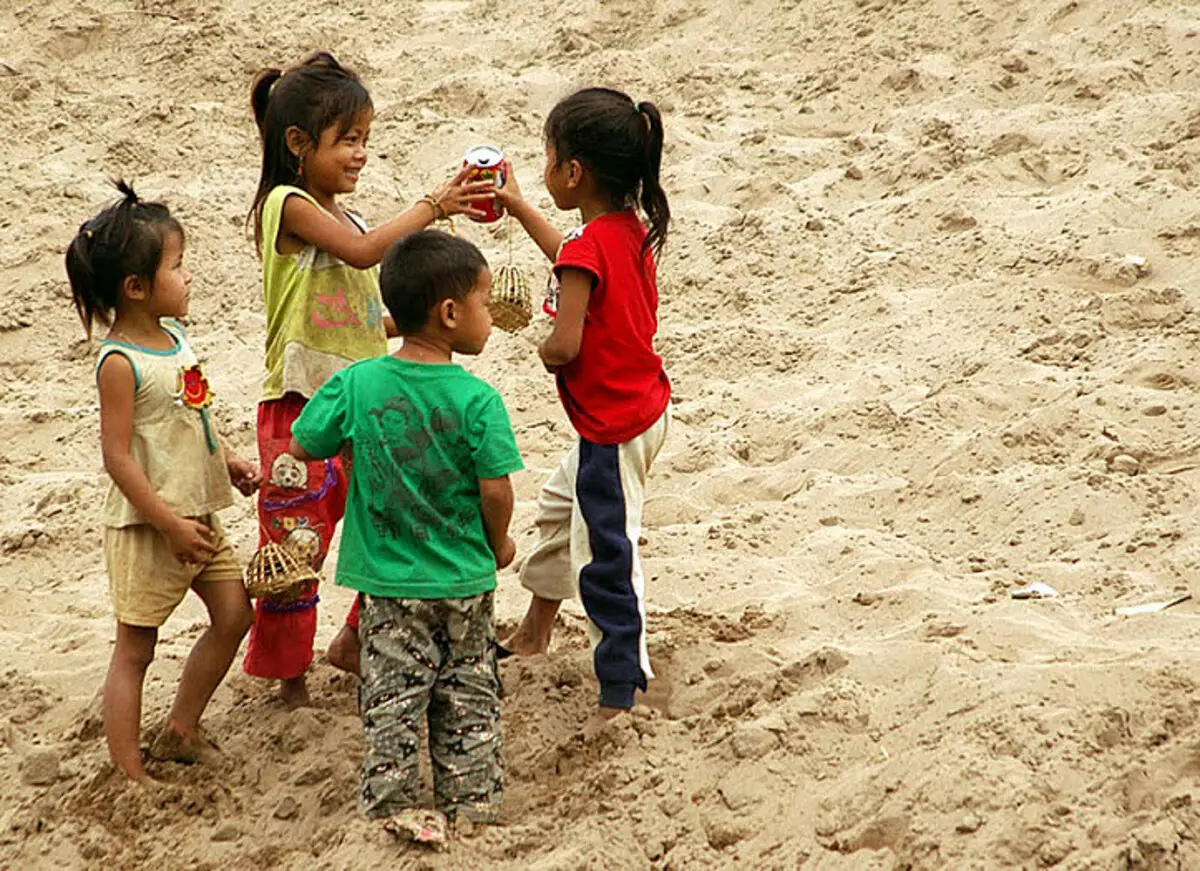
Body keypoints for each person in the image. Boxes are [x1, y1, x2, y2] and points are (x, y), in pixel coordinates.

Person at [244, 51, 493, 706]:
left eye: (364, 141)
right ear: (297, 143)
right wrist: (433, 206)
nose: (359, 154)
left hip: (359, 402)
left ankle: (354, 639)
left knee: (389, 518)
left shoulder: (339, 216)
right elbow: (361, 253)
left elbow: (359, 318)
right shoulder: (286, 204)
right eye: (347, 140)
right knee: (297, 541)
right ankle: (287, 677)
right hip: (300, 408)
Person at [288, 230, 521, 823]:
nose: (490, 316)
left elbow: (305, 439)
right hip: (466, 583)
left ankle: (390, 806)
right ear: (449, 313)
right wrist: (499, 545)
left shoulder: (360, 382)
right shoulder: (479, 400)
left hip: (389, 587)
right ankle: (472, 804)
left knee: (391, 699)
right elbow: (496, 490)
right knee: (469, 694)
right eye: (484, 302)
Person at [66, 181, 259, 782]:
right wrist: (168, 523)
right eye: (177, 267)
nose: (189, 277)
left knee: (235, 617)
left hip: (198, 515)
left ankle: (181, 728)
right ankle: (130, 773)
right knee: (136, 649)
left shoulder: (176, 339)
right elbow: (118, 458)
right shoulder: (119, 362)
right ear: (136, 288)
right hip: (151, 527)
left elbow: (190, 412)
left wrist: (224, 457)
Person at [494, 87, 672, 734]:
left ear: (574, 172)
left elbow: (563, 345)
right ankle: (536, 629)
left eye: (547, 158)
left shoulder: (586, 249)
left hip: (611, 428)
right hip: (646, 406)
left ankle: (621, 685)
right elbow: (573, 255)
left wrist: (542, 341)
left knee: (606, 556)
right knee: (557, 508)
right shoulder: (627, 229)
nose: (544, 170)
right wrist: (517, 207)